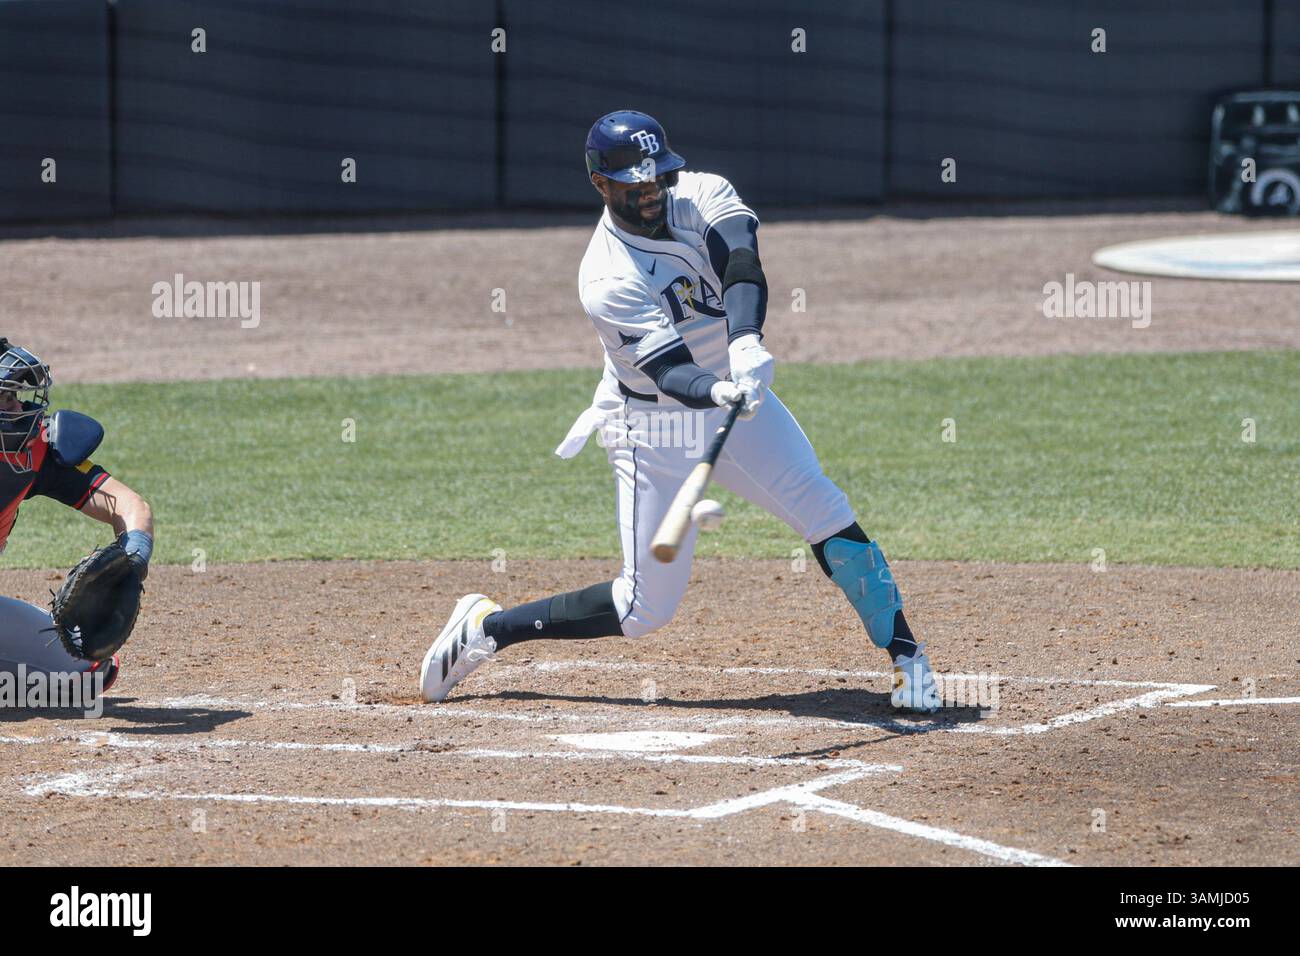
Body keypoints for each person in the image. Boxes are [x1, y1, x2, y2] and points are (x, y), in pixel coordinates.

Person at [420, 110, 939, 713]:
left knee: (825, 510)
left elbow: (741, 259)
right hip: (653, 423)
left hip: (737, 396)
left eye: (657, 179)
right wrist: (716, 391)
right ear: (600, 183)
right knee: (643, 610)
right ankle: (488, 628)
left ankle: (908, 660)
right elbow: (668, 371)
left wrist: (746, 341)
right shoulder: (606, 276)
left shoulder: (700, 191)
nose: (652, 194)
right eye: (635, 185)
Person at [0, 338, 153, 695]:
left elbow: (128, 504)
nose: (17, 408)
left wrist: (135, 559)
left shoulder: (31, 453)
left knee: (84, 672)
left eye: (14, 396)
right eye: (4, 399)